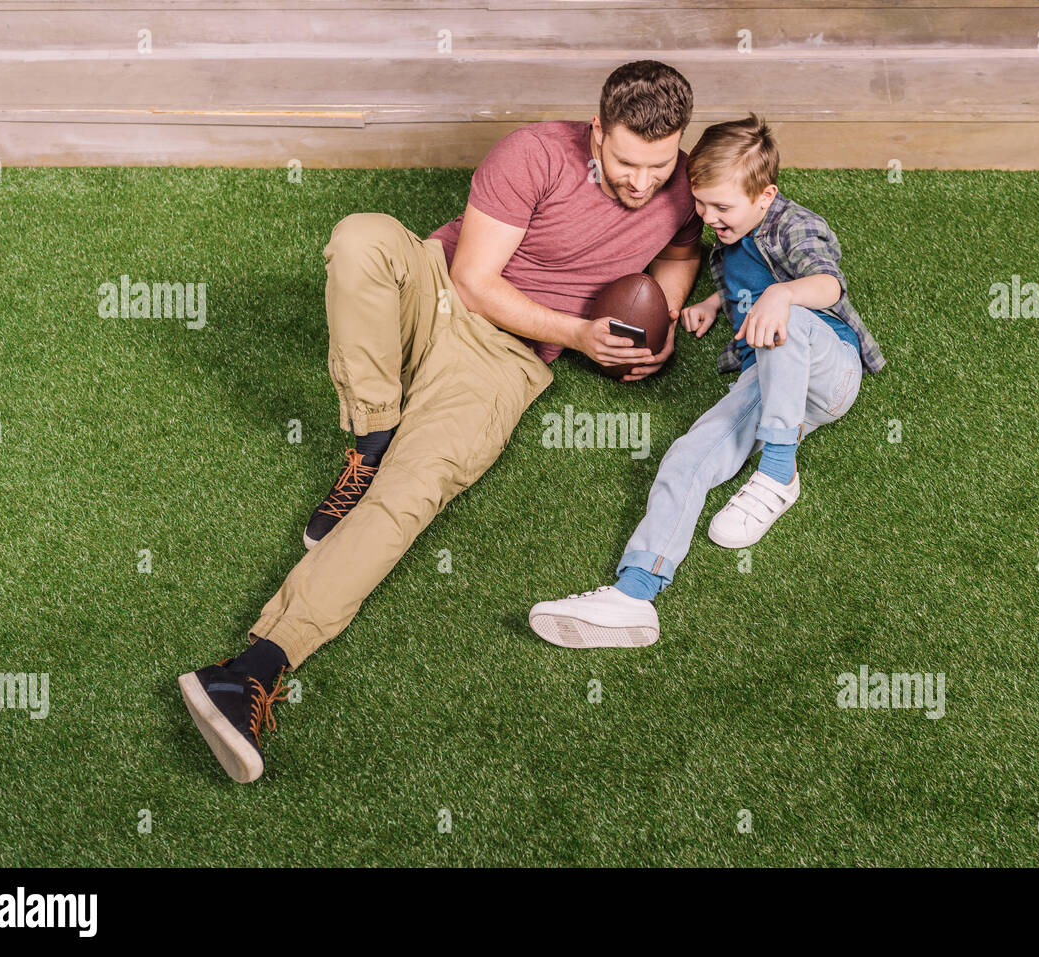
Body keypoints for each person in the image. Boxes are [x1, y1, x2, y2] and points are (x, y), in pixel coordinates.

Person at [178, 61, 705, 782]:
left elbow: (681, 248)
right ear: (596, 132)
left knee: (411, 495)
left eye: (658, 163)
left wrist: (664, 313)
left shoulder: (682, 186)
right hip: (443, 291)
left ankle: (250, 669)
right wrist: (580, 334)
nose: (642, 182)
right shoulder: (533, 155)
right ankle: (372, 437)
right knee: (360, 237)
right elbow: (472, 283)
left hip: (504, 360)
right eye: (624, 161)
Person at [528, 114, 886, 649]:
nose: (707, 217)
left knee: (785, 324)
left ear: (766, 196)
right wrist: (714, 303)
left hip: (827, 369)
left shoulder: (794, 224)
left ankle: (778, 470)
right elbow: (750, 281)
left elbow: (828, 285)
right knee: (686, 456)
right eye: (700, 204)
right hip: (767, 381)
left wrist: (780, 296)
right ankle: (635, 592)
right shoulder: (726, 237)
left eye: (722, 207)